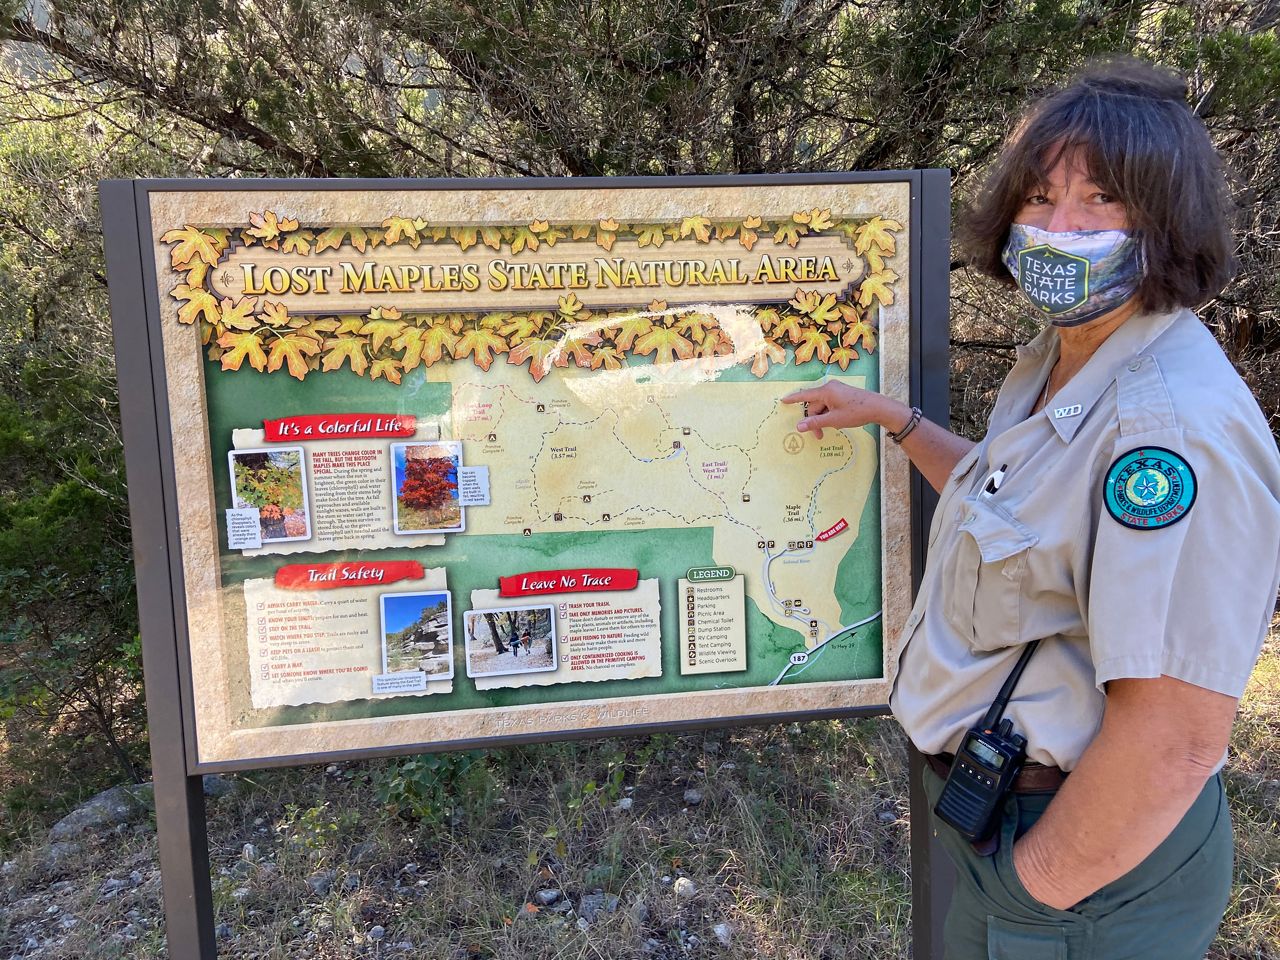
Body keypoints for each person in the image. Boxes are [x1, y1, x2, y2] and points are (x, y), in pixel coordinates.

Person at [784, 58, 1280, 959]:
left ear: (1168, 225)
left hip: (1080, 872)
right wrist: (900, 423)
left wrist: (1035, 889)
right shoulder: (1069, 356)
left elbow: (1174, 738)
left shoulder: (1165, 435)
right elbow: (1021, 515)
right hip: (1014, 835)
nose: (1059, 229)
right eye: (1040, 198)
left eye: (1102, 202)